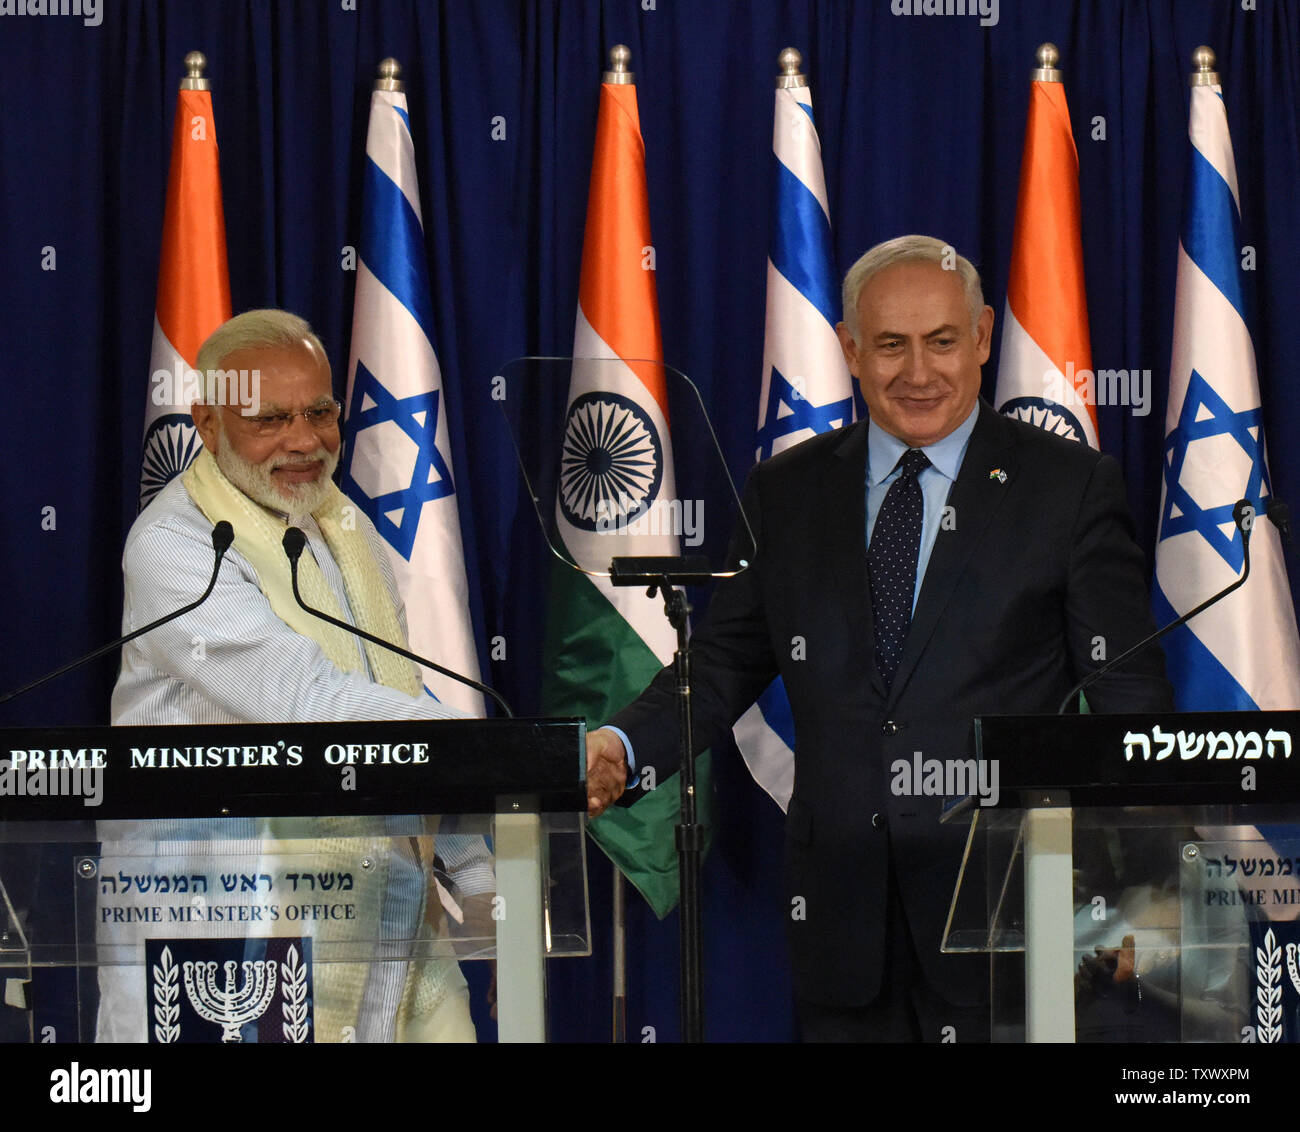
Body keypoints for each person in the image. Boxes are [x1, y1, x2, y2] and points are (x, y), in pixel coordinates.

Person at [585, 235, 1175, 1041]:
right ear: (850, 350)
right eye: (891, 346)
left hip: (1013, 926)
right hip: (841, 926)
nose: (919, 372)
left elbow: (1129, 704)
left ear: (983, 338)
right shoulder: (787, 491)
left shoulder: (1068, 489)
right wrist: (622, 743)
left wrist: (1141, 900)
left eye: (941, 342)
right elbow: (722, 664)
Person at [101, 309, 490, 1043]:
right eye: (270, 419)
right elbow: (302, 698)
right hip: (227, 934)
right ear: (207, 424)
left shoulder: (342, 529)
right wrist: (490, 751)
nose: (304, 441)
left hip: (375, 911)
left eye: (319, 412)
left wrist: (474, 866)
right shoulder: (176, 545)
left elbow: (394, 692)